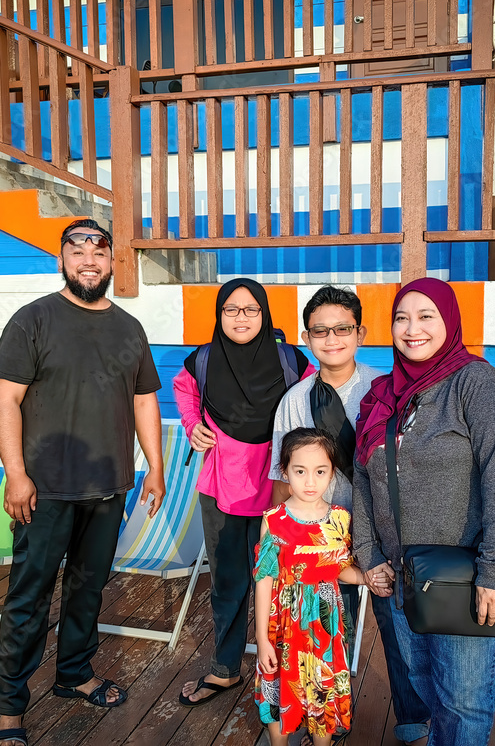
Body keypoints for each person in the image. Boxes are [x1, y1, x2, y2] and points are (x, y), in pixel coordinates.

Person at [0, 219, 166, 746]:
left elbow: (143, 399)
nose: (89, 259)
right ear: (62, 259)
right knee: (30, 596)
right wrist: (16, 475)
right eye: (78, 249)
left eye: (100, 250)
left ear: (113, 263)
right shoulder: (33, 320)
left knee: (89, 589)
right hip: (44, 490)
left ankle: (74, 674)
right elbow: (5, 400)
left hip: (109, 486)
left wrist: (153, 466)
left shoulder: (129, 327)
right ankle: (9, 707)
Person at [352, 277, 495, 746]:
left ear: (449, 322)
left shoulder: (479, 386)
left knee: (463, 703)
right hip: (402, 577)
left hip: (461, 579)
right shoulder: (383, 395)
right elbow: (365, 479)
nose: (413, 329)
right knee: (426, 689)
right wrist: (369, 556)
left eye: (427, 316)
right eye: (401, 318)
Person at [268, 285, 430, 743]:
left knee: (395, 621)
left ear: (360, 332)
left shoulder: (387, 389)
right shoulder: (295, 400)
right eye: (320, 331)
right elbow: (283, 478)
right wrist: (282, 538)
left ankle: (414, 716)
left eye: (342, 328)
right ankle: (318, 712)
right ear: (306, 336)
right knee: (324, 625)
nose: (332, 339)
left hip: (380, 528)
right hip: (319, 535)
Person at [174, 278, 314, 707]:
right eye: (231, 309)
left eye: (251, 309)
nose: (241, 317)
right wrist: (191, 424)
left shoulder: (291, 360)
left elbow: (314, 398)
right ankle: (225, 668)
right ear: (219, 315)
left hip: (279, 489)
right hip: (221, 488)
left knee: (284, 583)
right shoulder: (202, 359)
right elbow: (184, 390)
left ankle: (289, 672)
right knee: (229, 581)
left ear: (265, 314)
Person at [254, 427, 366, 746]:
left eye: (320, 471)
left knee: (322, 689)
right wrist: (262, 638)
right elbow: (264, 580)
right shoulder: (274, 520)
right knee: (276, 687)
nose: (310, 481)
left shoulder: (340, 519)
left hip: (323, 626)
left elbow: (341, 569)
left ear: (332, 473)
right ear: (285, 471)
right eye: (299, 471)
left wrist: (367, 577)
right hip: (282, 624)